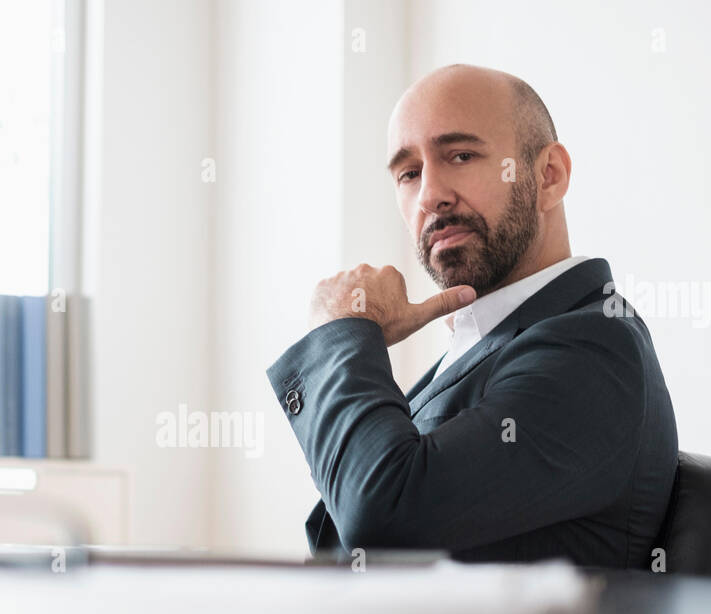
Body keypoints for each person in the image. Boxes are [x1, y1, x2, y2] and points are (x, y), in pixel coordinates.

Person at [266, 64, 678, 568]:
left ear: (549, 176)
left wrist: (342, 331)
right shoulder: (491, 341)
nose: (429, 195)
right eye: (409, 173)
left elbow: (381, 518)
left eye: (461, 156)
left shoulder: (593, 350)